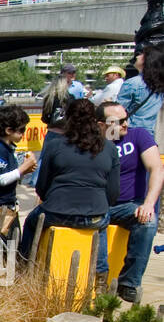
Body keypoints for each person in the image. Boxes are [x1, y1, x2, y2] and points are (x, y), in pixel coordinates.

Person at [19, 99, 119, 260]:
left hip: (57, 213)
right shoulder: (109, 148)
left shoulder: (55, 145)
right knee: (102, 225)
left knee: (31, 221)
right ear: (95, 120)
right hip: (94, 215)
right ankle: (100, 271)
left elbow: (41, 187)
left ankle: (24, 263)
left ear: (68, 119)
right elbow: (113, 193)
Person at [94, 101, 162, 303]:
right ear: (101, 124)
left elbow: (157, 169)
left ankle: (129, 283)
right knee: (98, 220)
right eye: (119, 121)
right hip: (101, 204)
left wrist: (149, 203)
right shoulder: (94, 143)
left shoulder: (138, 135)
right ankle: (100, 280)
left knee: (148, 222)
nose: (125, 124)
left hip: (129, 204)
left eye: (126, 119)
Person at [0, 104, 37, 237]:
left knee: (12, 241)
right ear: (9, 130)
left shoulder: (8, 149)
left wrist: (24, 170)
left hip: (8, 203)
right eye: (21, 130)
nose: (23, 134)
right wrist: (23, 168)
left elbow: (10, 173)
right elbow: (2, 179)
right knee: (2, 242)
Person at [116, 45, 164, 131]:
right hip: (155, 133)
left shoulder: (132, 83)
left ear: (148, 60)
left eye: (142, 54)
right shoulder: (160, 83)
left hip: (135, 133)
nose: (137, 56)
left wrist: (111, 136)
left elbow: (116, 113)